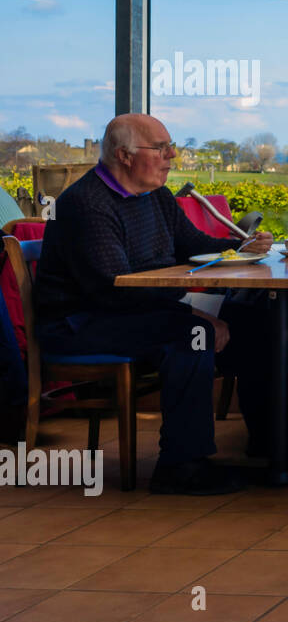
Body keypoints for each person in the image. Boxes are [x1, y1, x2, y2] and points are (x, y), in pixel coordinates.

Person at [34, 114, 275, 495]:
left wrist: (240, 247)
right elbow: (114, 290)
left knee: (258, 323)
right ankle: (181, 466)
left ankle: (272, 443)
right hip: (79, 323)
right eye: (160, 148)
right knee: (193, 334)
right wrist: (190, 313)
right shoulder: (86, 205)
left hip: (135, 311)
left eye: (171, 146)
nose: (173, 155)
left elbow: (194, 246)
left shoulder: (157, 197)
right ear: (124, 155)